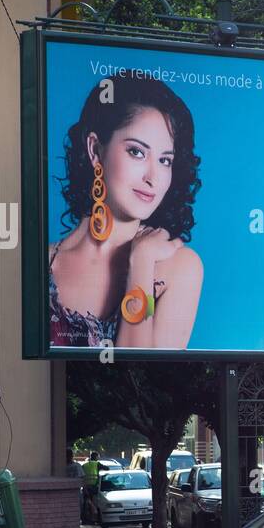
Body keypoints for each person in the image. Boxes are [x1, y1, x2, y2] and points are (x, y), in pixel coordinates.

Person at [49, 76, 204, 350]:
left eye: (165, 160)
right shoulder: (43, 263)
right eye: (137, 152)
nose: (153, 177)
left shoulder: (181, 267)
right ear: (96, 149)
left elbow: (139, 370)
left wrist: (141, 262)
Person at [81, 451, 102, 525]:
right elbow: (107, 468)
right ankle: (93, 519)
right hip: (94, 487)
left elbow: (82, 476)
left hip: (86, 487)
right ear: (96, 457)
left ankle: (85, 519)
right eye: (98, 457)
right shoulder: (97, 464)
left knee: (86, 504)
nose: (98, 458)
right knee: (94, 503)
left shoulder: (85, 465)